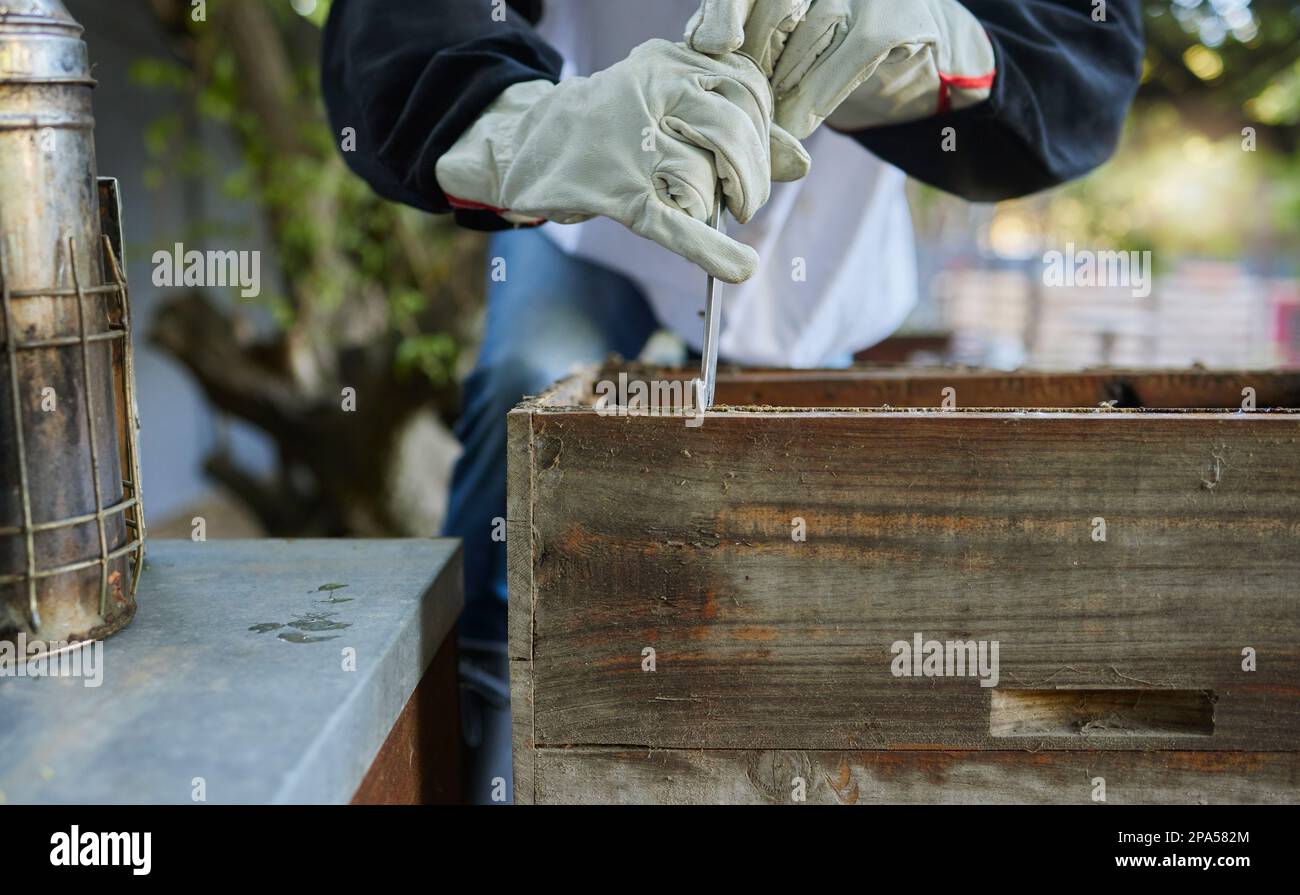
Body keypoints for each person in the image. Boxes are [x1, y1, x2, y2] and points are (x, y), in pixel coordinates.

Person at [322, 0, 1145, 802]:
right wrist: (512, 122)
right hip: (603, 184)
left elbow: (1087, 39)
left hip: (814, 263)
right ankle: (479, 691)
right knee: (525, 383)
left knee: (794, 500)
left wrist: (948, 41)